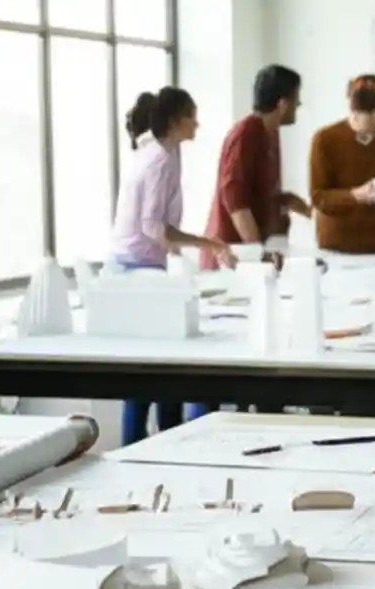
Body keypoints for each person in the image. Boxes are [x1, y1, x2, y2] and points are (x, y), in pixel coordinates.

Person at [110, 87, 236, 445]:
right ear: (174, 122)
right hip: (136, 272)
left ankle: (162, 443)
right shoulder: (159, 160)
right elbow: (153, 227)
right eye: (191, 116)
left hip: (142, 267)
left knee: (156, 374)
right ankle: (141, 448)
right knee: (147, 378)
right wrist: (208, 244)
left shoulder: (163, 150)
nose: (197, 122)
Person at [203, 64, 309, 270]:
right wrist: (258, 255)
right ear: (283, 104)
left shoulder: (271, 133)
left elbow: (263, 193)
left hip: (254, 254)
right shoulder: (246, 134)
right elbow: (235, 199)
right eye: (297, 98)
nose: (300, 103)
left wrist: (306, 210)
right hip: (233, 257)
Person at [308, 75, 375, 264]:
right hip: (337, 250)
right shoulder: (324, 140)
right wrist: (356, 195)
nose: (365, 131)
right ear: (351, 110)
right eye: (357, 119)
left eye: (374, 119)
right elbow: (318, 197)